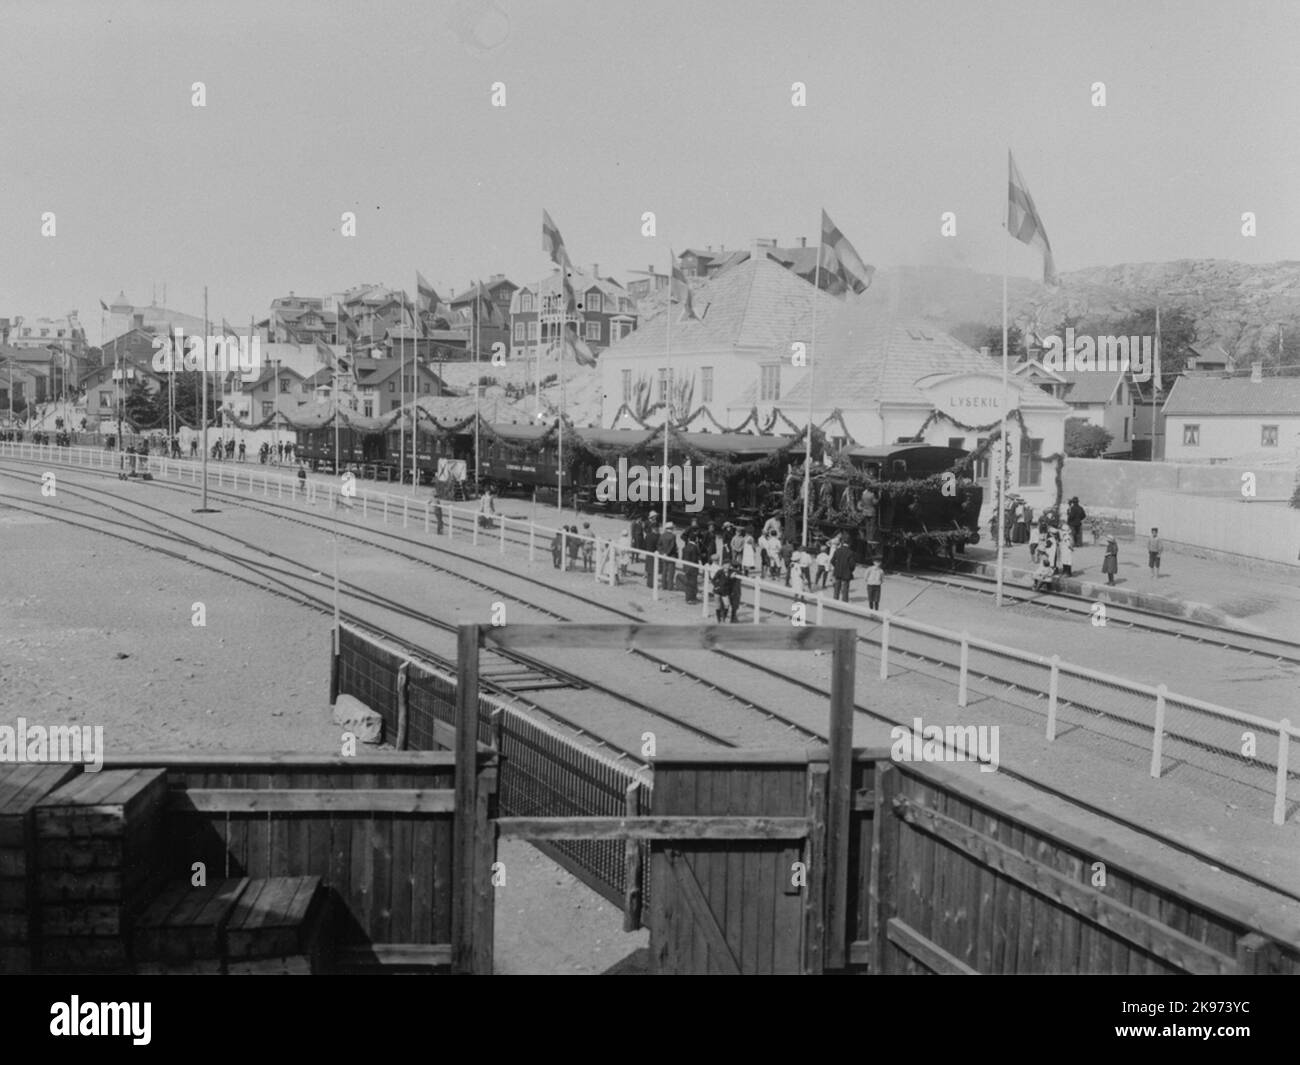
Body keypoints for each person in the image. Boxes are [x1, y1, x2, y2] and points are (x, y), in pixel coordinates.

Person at [657, 522, 677, 591]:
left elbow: (659, 545)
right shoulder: (673, 536)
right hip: (671, 556)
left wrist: (663, 553)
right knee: (671, 573)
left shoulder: (662, 535)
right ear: (671, 528)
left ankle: (663, 586)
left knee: (664, 572)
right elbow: (672, 546)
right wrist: (668, 553)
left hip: (664, 556)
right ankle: (670, 587)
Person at [682, 535, 700, 603]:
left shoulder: (685, 546)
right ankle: (691, 598)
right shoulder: (695, 547)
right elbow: (695, 558)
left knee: (688, 583)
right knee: (693, 583)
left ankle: (688, 597)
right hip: (693, 568)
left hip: (686, 567)